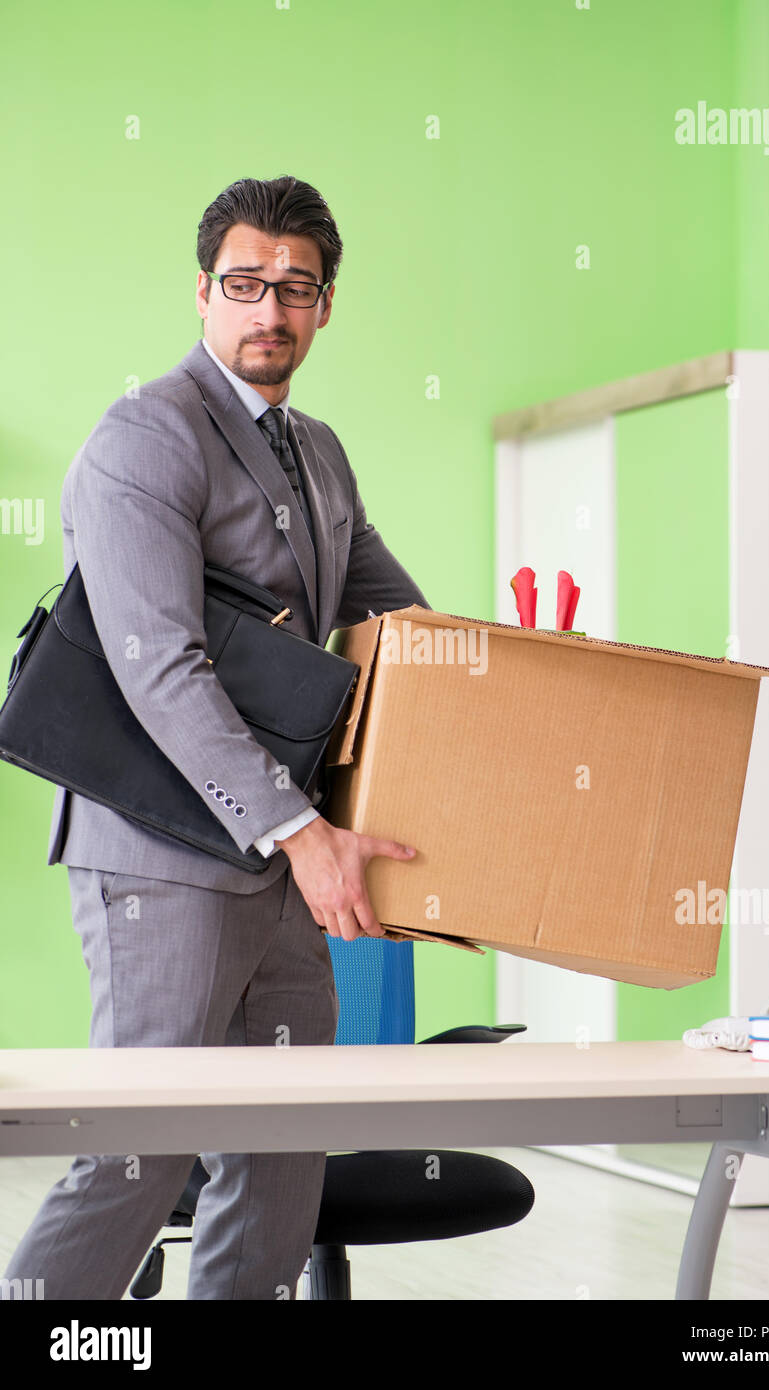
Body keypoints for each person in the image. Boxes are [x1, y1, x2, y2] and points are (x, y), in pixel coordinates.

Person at [3, 174, 430, 1300]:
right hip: (163, 858)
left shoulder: (320, 451)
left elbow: (396, 616)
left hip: (284, 865)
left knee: (283, 1151)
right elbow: (158, 665)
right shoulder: (146, 436)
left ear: (326, 306)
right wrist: (301, 833)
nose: (269, 311)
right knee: (142, 1153)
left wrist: (522, 667)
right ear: (204, 291)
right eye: (246, 284)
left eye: (295, 288)